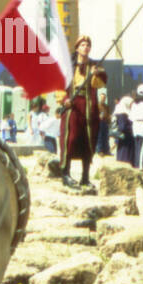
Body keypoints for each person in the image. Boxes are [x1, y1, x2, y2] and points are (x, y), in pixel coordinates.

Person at [57, 36, 101, 187]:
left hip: (88, 108)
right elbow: (60, 85)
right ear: (77, 48)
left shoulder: (94, 66)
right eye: (83, 45)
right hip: (72, 107)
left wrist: (96, 74)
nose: (86, 47)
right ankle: (65, 174)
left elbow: (100, 83)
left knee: (88, 140)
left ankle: (85, 177)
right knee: (71, 139)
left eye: (88, 45)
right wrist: (64, 100)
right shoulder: (69, 66)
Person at [113, 95, 135, 164]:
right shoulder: (122, 113)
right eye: (131, 103)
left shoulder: (124, 111)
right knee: (125, 157)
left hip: (124, 138)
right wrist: (131, 128)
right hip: (125, 138)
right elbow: (122, 127)